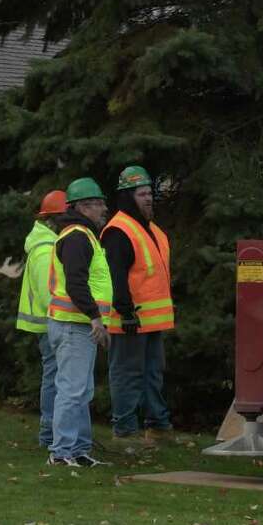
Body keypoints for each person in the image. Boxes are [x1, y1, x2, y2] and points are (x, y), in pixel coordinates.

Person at [101, 165, 174, 445]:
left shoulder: (152, 230)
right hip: (130, 318)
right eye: (142, 194)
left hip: (152, 320)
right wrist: (125, 310)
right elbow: (116, 275)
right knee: (127, 375)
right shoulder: (119, 230)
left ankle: (158, 427)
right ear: (128, 197)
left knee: (153, 374)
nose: (148, 199)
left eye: (149, 193)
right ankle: (125, 431)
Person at [45, 177, 115, 468]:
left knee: (81, 391)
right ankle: (61, 452)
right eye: (99, 204)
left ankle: (78, 450)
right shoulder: (77, 237)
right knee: (73, 390)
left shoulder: (81, 235)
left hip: (76, 324)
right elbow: (76, 284)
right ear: (84, 207)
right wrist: (95, 317)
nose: (104, 209)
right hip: (74, 325)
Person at [14, 188, 68, 450]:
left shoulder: (46, 244)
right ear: (55, 219)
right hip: (52, 323)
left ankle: (50, 433)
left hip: (48, 322)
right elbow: (50, 294)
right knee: (55, 377)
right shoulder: (47, 249)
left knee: (54, 376)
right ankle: (49, 434)